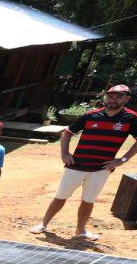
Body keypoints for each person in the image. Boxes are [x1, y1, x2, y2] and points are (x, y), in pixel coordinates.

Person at [32, 85, 137, 240]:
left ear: (126, 99)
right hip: (76, 165)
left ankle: (80, 231)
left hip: (102, 168)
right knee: (61, 196)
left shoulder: (131, 118)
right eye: (111, 96)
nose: (113, 99)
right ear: (106, 97)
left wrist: (121, 160)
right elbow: (67, 133)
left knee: (89, 200)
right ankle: (43, 224)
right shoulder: (90, 115)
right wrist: (65, 153)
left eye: (118, 96)